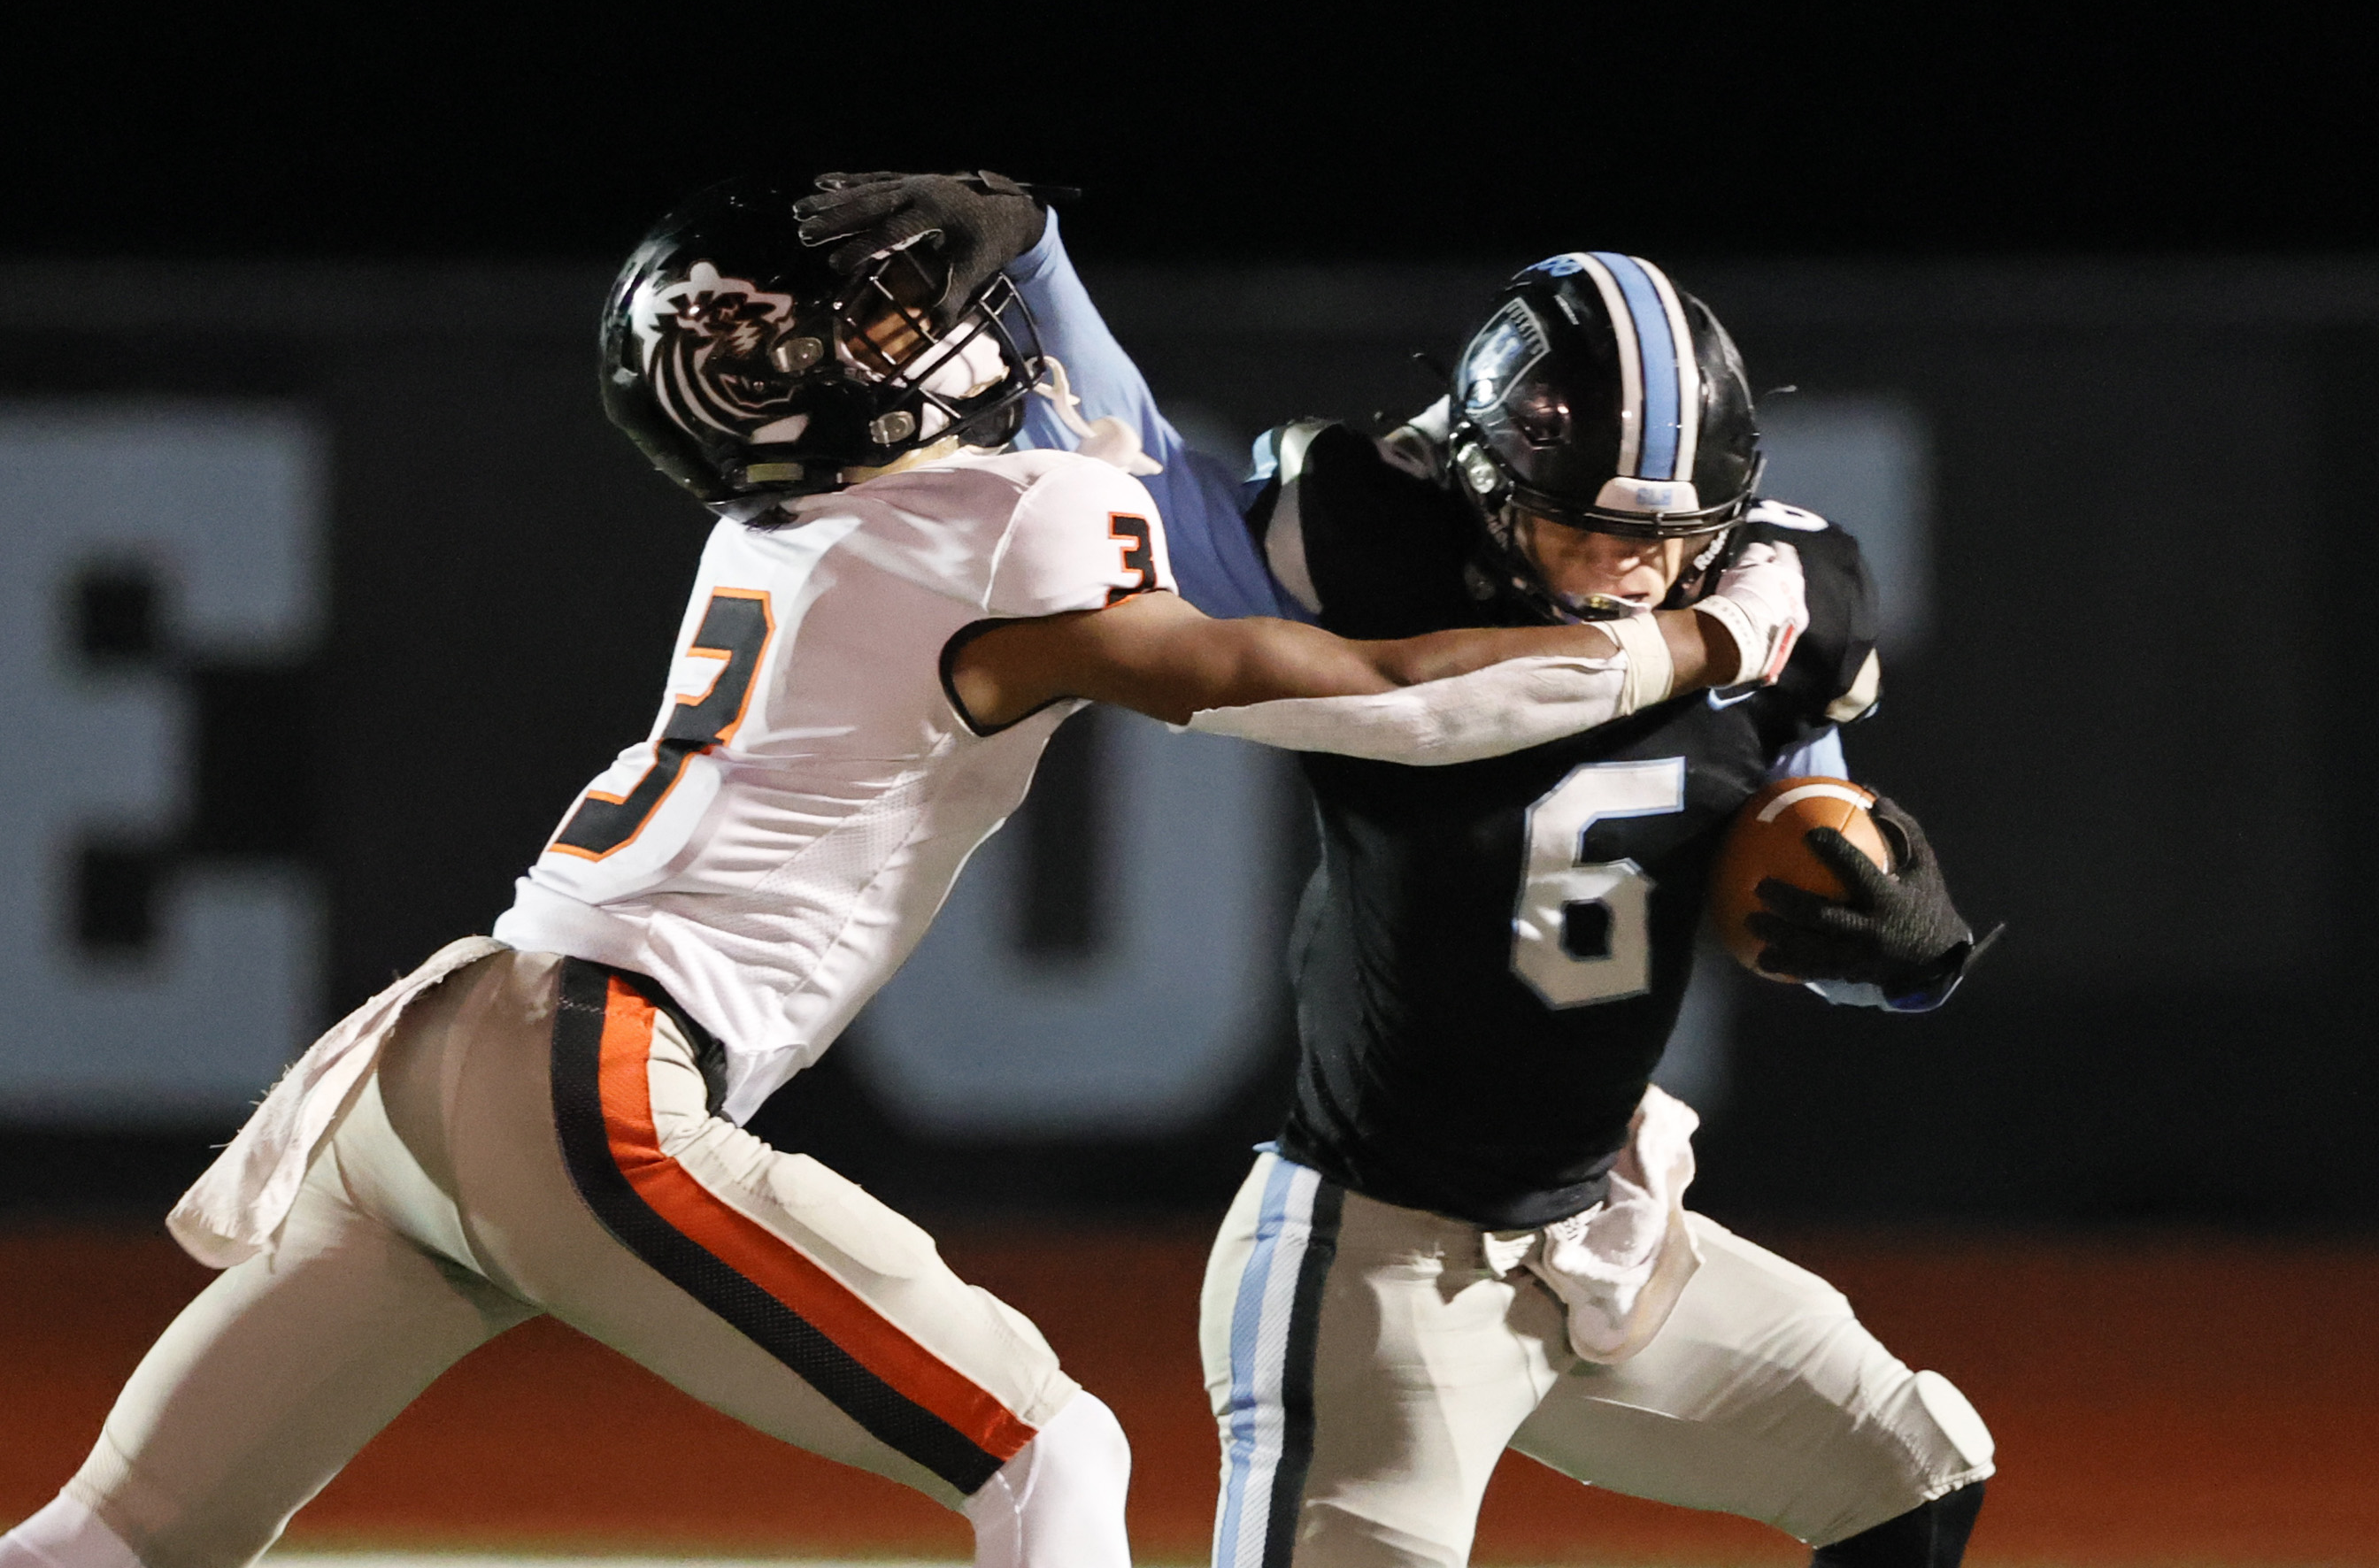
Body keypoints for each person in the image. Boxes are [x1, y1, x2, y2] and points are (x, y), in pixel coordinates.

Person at [0, 179, 1813, 1568]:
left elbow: (1107, 443)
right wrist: (1690, 649)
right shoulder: (1000, 522)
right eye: (869, 330)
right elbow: (1325, 690)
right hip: (593, 1078)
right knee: (1051, 1449)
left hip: (431, 1056)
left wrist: (1027, 271)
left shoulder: (788, 523)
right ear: (801, 387)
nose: (917, 337)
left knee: (107, 1541)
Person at [792, 173, 1996, 1568]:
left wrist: (1873, 912)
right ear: (1480, 479)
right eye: (1581, 530)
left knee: (1913, 1473)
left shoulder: (1791, 587)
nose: (1618, 578)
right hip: (1381, 1268)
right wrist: (1042, 263)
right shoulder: (1370, 547)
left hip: (1613, 1228)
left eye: (1659, 546)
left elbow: (1799, 790)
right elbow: (1131, 468)